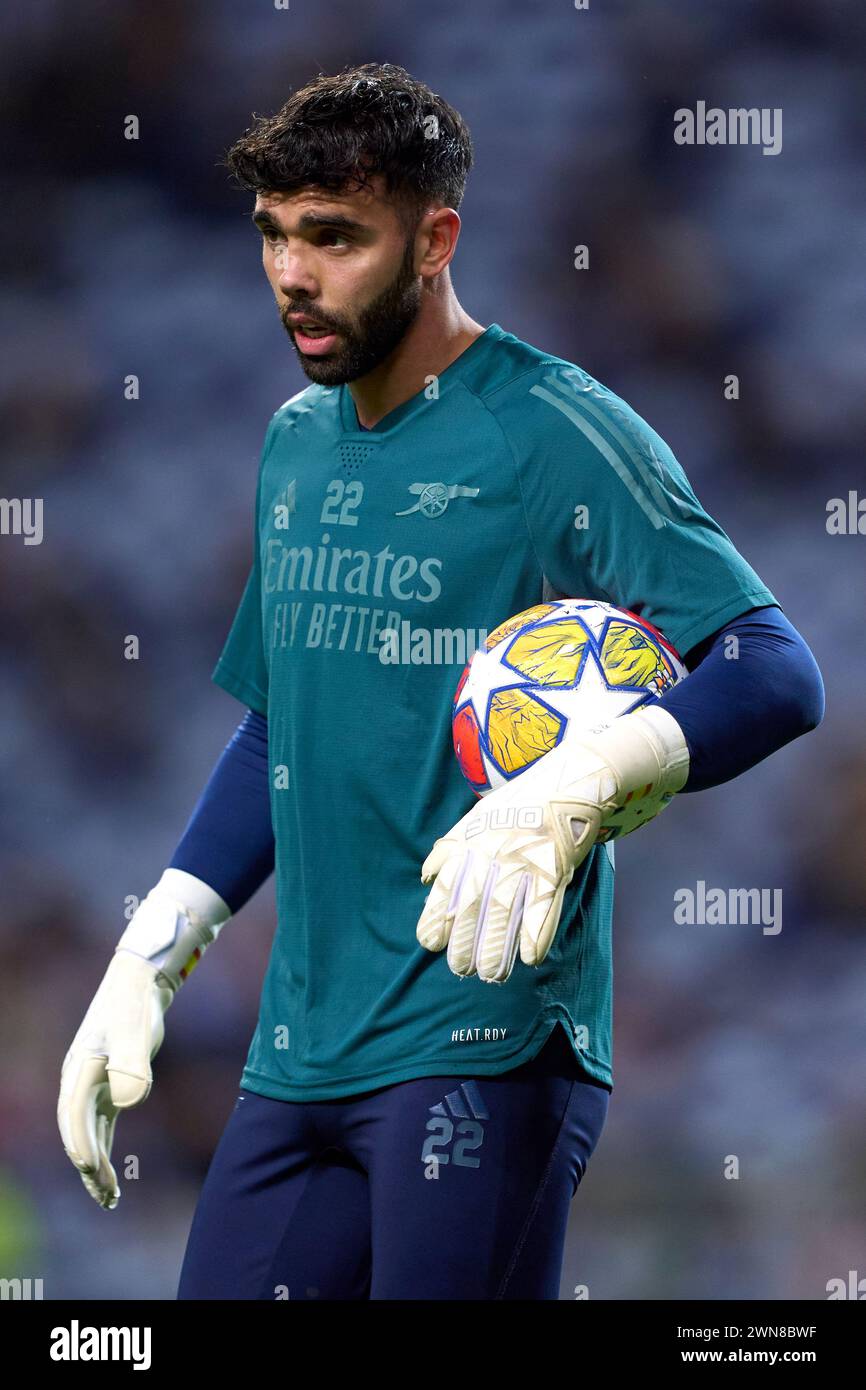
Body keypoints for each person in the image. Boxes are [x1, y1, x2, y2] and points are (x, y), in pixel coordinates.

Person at [57, 62, 824, 1301]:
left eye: (334, 238)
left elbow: (773, 669)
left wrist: (585, 773)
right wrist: (156, 944)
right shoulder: (293, 444)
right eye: (273, 237)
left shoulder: (552, 429)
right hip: (298, 1059)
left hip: (483, 1043)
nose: (293, 276)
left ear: (434, 239)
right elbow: (279, 727)